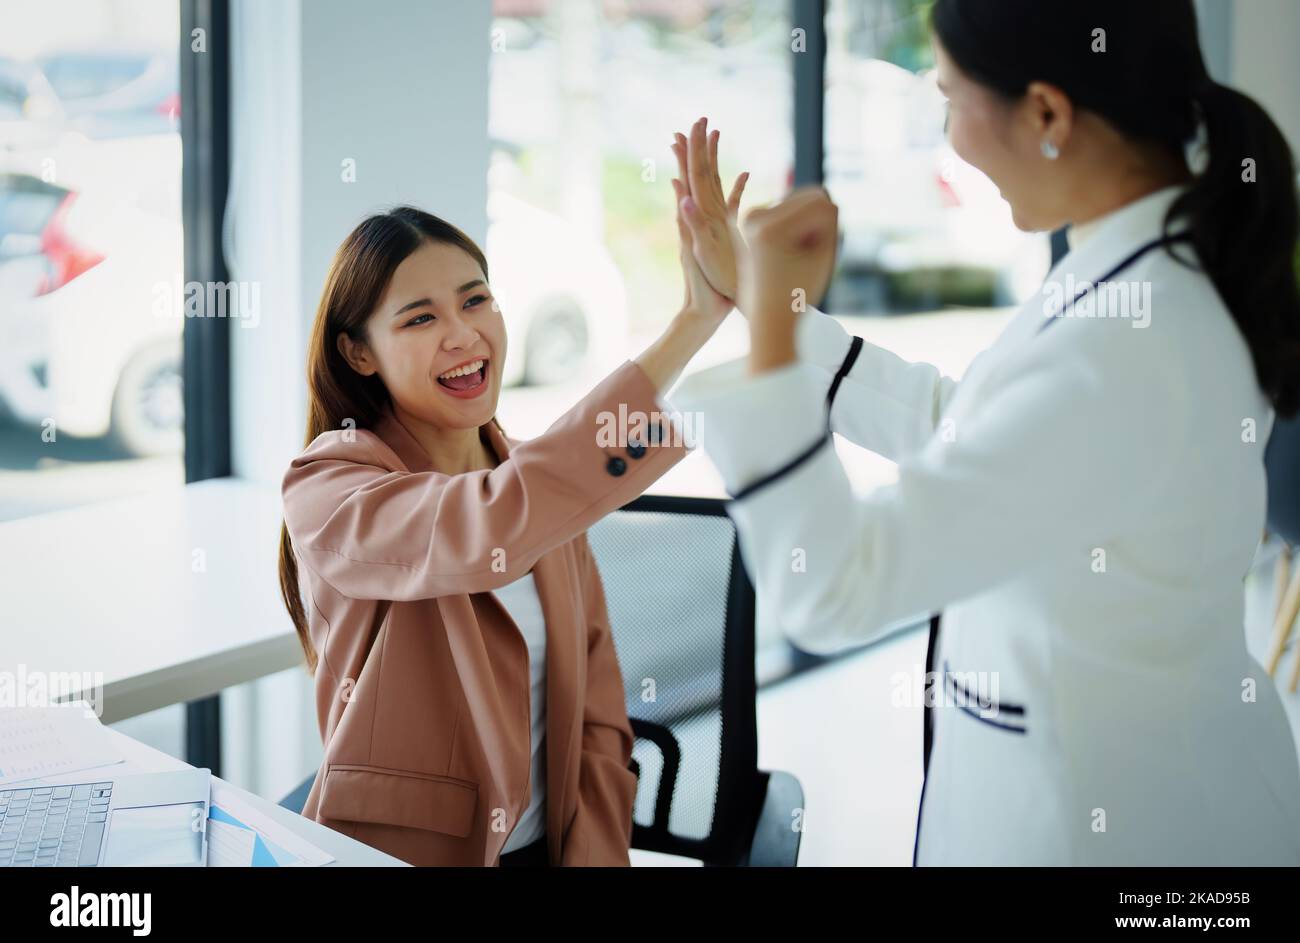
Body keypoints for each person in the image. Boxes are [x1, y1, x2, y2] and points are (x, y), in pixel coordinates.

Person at [668, 1, 1300, 864]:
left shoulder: (1123, 345)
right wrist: (762, 293)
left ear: (1045, 112)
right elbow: (973, 431)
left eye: (950, 99)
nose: (951, 144)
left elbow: (838, 588)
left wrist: (773, 349)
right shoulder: (1140, 273)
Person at [278, 145, 746, 866]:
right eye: (419, 319)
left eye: (475, 299)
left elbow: (597, 712)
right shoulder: (330, 486)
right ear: (359, 353)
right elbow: (486, 522)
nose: (464, 335)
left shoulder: (533, 483)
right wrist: (692, 320)